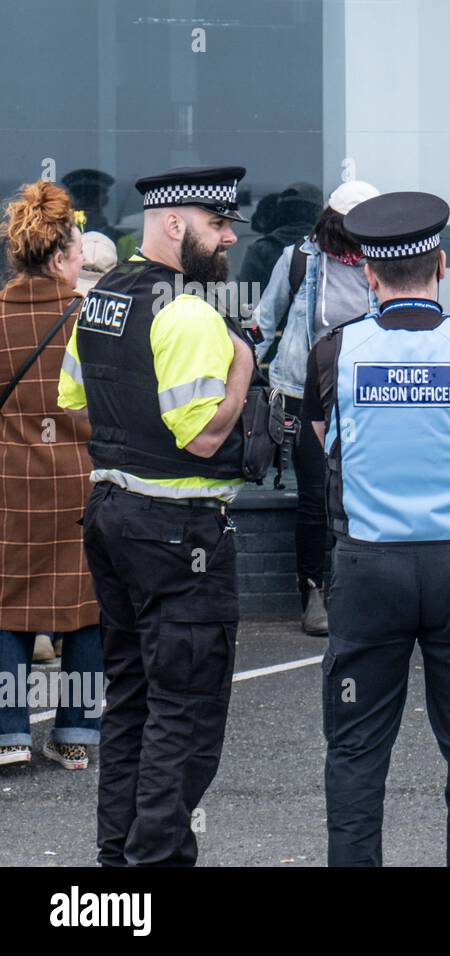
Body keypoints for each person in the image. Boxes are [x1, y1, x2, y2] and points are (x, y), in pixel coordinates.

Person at [303, 191, 450, 867]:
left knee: (358, 750)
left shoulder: (332, 353)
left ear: (369, 274)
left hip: (369, 567)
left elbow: (326, 442)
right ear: (438, 267)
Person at [57, 165, 258, 866]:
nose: (229, 236)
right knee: (187, 711)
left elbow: (74, 407)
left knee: (134, 701)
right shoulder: (192, 311)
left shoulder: (103, 296)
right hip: (179, 530)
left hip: (111, 515)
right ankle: (156, 865)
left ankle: (120, 864)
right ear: (176, 225)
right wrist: (243, 366)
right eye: (219, 224)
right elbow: (204, 437)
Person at [0, 182, 103, 770]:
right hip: (80, 480)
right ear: (61, 255)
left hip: (10, 483)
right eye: (78, 251)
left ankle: (10, 735)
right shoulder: (90, 315)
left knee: (6, 604)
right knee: (86, 607)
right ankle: (75, 737)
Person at [252, 180, 380, 635]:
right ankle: (314, 590)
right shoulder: (301, 260)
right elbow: (264, 323)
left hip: (367, 397)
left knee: (363, 494)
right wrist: (238, 377)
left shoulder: (383, 265)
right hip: (306, 395)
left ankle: (358, 590)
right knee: (314, 498)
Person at [237, 182, 324, 295]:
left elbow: (245, 303)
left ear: (281, 211)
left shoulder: (261, 250)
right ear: (318, 213)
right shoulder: (333, 249)